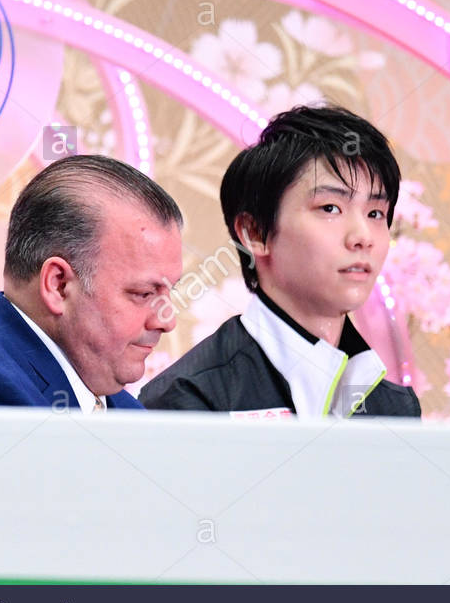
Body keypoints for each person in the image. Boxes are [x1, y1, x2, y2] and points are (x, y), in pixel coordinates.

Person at [139, 105, 421, 419]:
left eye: (375, 214)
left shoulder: (395, 406)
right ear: (254, 232)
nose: (362, 236)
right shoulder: (189, 398)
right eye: (330, 208)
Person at [0, 155, 183, 410]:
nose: (167, 320)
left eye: (170, 290)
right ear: (58, 285)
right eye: (144, 293)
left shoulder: (123, 409)